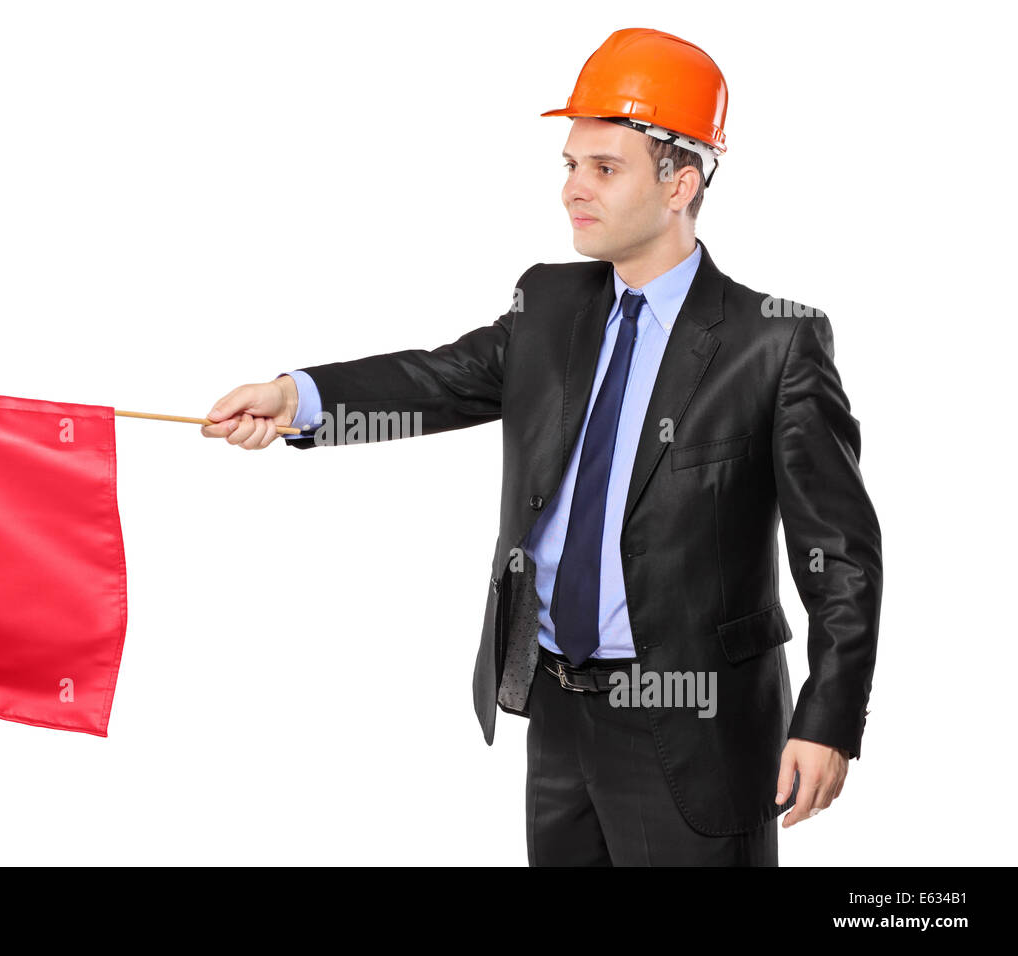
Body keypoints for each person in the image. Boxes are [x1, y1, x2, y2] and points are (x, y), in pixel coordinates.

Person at [200, 27, 882, 866]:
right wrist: (293, 397)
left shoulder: (772, 342)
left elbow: (841, 554)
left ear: (682, 182)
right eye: (569, 165)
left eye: (604, 168)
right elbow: (439, 381)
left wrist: (829, 719)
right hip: (557, 710)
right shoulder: (549, 301)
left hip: (696, 727)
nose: (572, 190)